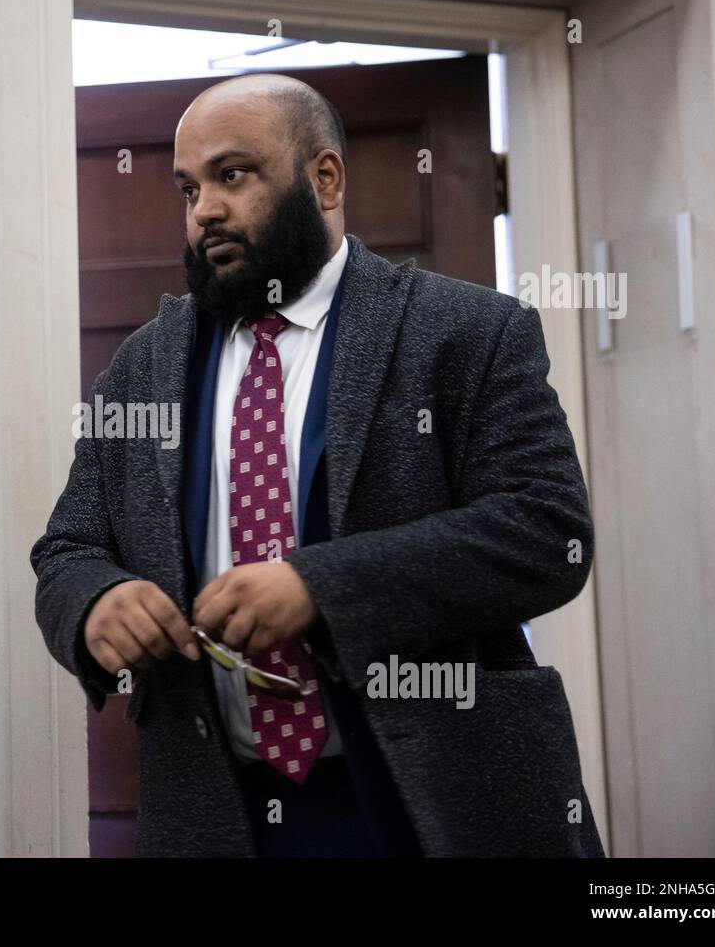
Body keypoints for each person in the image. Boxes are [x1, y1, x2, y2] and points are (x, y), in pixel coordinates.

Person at [30, 73, 605, 858]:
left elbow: (546, 534)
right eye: (188, 188)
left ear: (324, 177)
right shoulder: (145, 365)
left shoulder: (467, 330)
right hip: (219, 813)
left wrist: (319, 587)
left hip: (437, 803)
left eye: (233, 175)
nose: (205, 211)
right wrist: (97, 603)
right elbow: (68, 549)